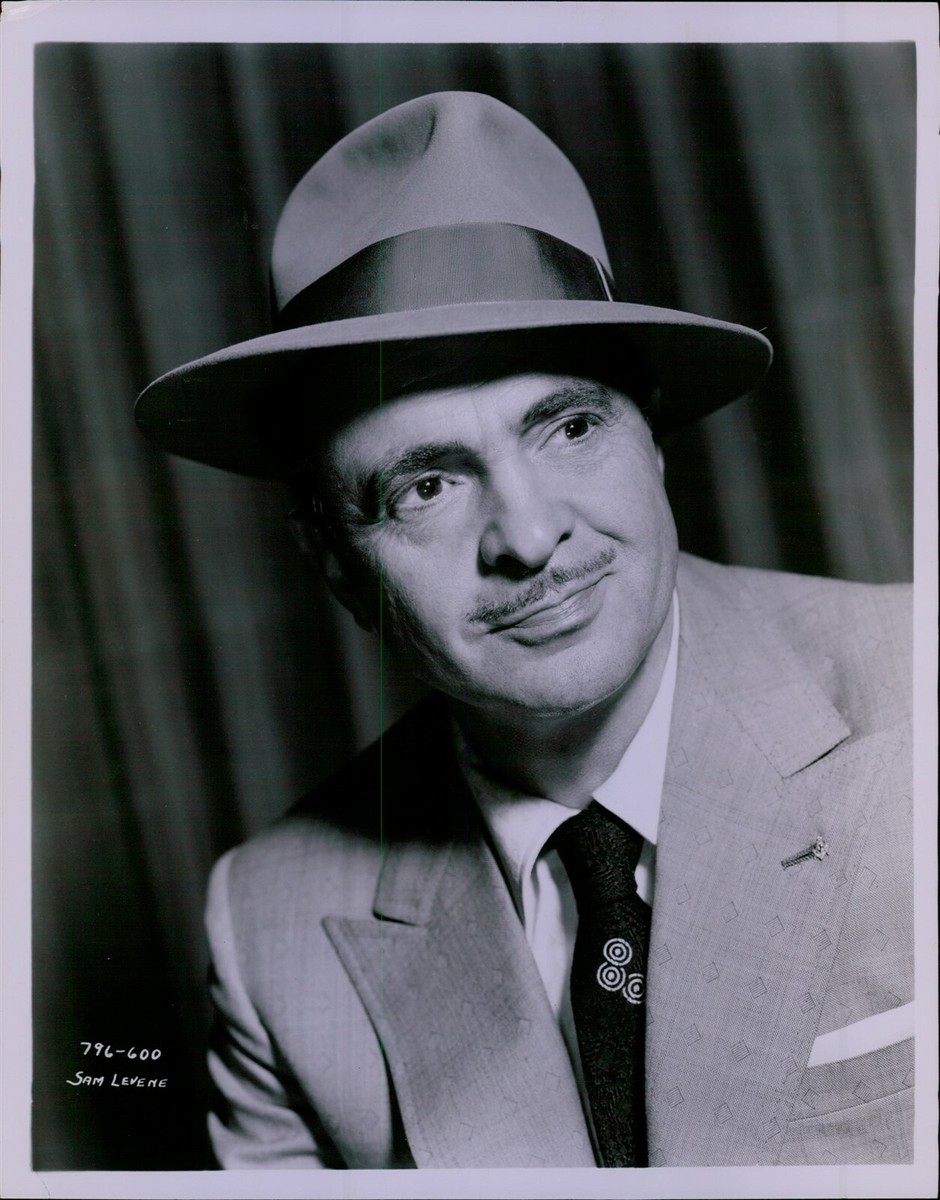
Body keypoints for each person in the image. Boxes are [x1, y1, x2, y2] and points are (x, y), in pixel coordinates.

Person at [135, 91, 913, 1169]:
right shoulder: (274, 934)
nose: (532, 536)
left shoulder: (914, 701)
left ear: (653, 440)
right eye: (427, 486)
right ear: (334, 561)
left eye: (571, 426)